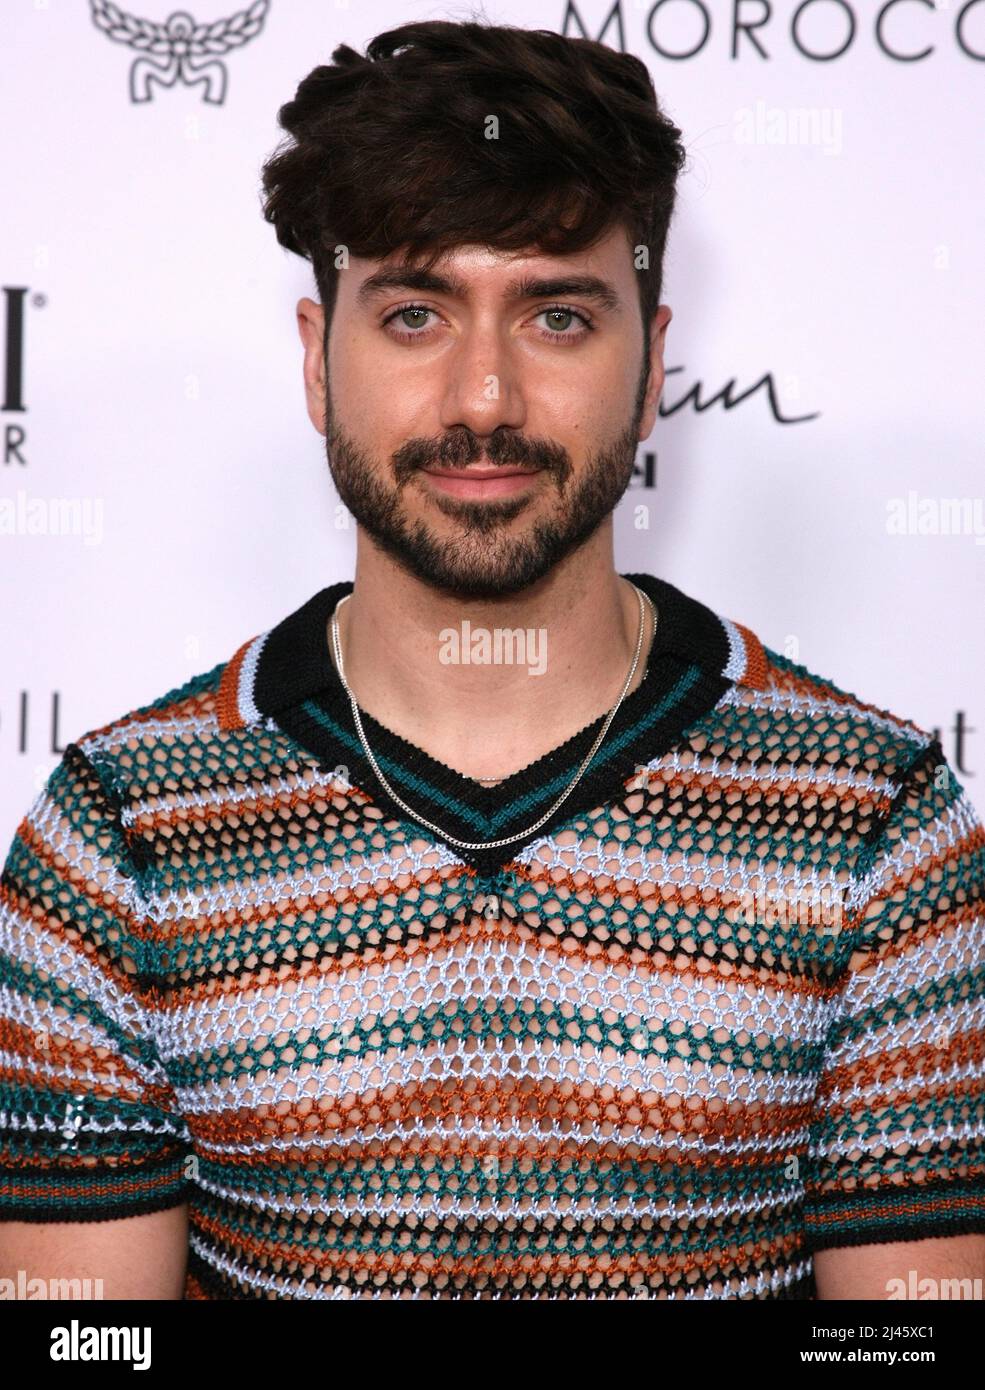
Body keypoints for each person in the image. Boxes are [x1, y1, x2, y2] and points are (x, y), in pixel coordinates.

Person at [1, 19, 983, 1301]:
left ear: (650, 368)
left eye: (558, 315)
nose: (482, 398)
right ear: (316, 358)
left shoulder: (878, 822)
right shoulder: (117, 832)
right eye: (413, 313)